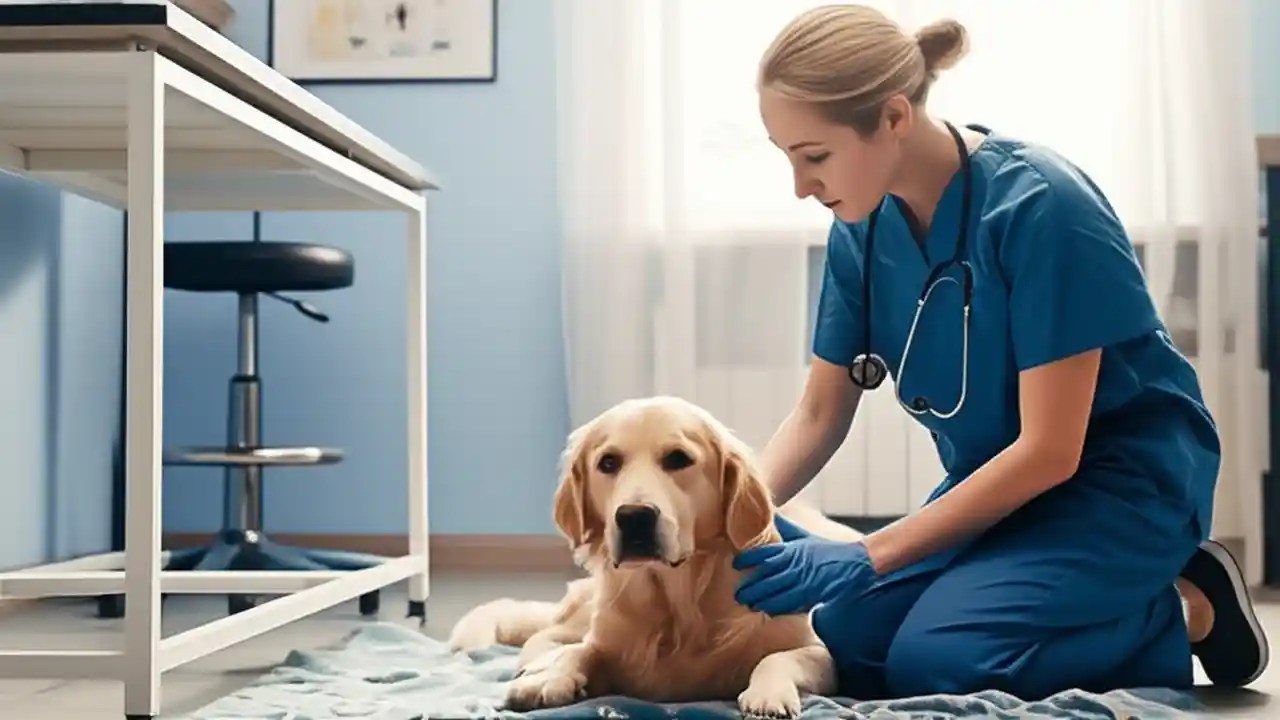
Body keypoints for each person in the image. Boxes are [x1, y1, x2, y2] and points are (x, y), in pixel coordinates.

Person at [731, 4, 1269, 701]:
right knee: (853, 640)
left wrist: (871, 552)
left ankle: (1185, 607)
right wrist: (731, 517)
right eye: (787, 157)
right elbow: (818, 415)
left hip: (1120, 486)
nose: (800, 186)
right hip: (1001, 485)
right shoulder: (859, 230)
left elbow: (1052, 451)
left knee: (941, 663)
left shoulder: (1042, 207)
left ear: (893, 118)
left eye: (814, 157)